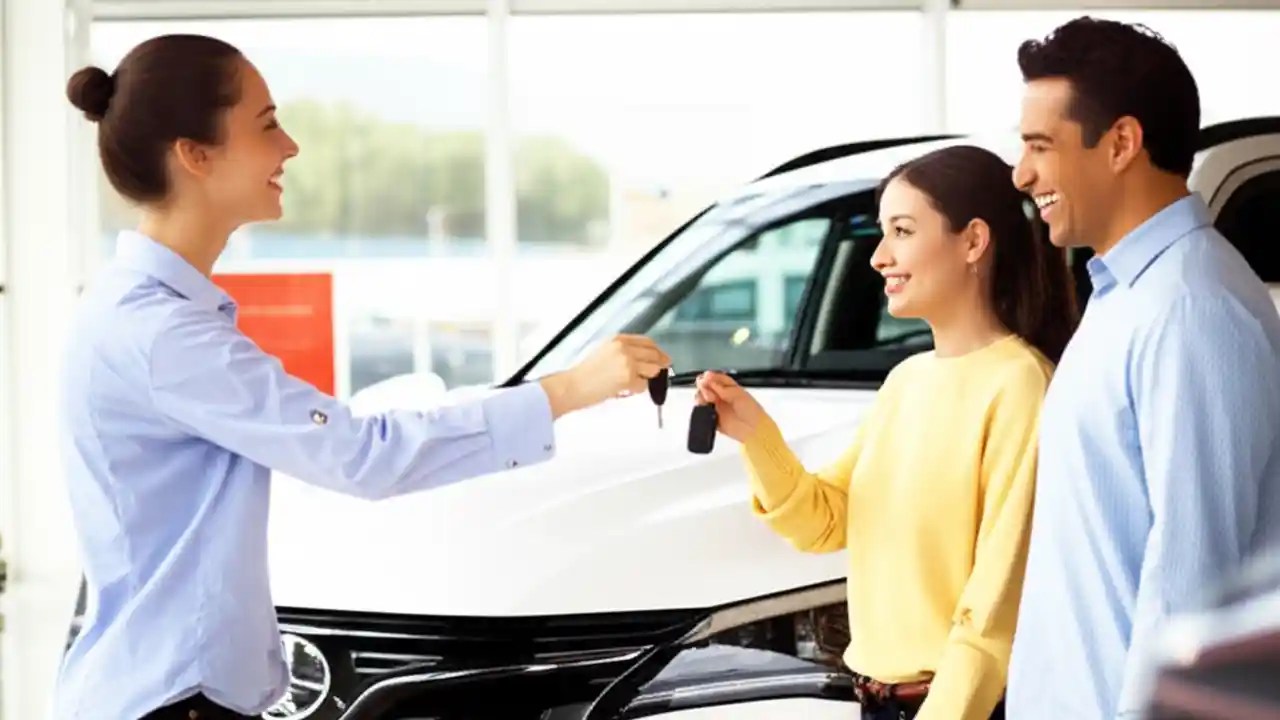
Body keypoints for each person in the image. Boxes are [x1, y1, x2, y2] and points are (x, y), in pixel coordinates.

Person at [55, 34, 671, 720]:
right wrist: (570, 390)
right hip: (174, 705)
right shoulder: (162, 336)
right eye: (266, 126)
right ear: (195, 155)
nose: (289, 147)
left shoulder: (135, 313)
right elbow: (361, 455)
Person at [695, 144, 1079, 720]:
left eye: (901, 230)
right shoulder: (907, 380)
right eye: (882, 232)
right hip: (878, 701)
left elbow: (995, 607)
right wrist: (757, 436)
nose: (878, 257)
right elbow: (825, 521)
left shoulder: (1021, 385)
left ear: (973, 242)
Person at [1005, 16, 1280, 720]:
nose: (1021, 172)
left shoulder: (1191, 308)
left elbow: (1193, 592)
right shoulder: (1127, 294)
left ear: (1122, 142)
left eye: (1041, 146)